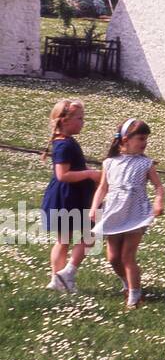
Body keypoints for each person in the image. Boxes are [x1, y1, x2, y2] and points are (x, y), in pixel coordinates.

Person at [90, 118, 164, 308]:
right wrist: (94, 207)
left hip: (136, 214)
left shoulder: (146, 164)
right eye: (140, 138)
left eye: (146, 139)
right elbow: (102, 188)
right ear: (125, 139)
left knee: (127, 256)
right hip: (114, 213)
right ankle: (127, 283)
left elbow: (158, 187)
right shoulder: (109, 163)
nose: (144, 143)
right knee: (113, 258)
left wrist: (158, 201)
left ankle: (135, 294)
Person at [40, 98, 101, 292]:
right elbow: (63, 175)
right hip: (68, 198)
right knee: (89, 236)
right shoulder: (64, 145)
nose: (83, 122)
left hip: (70, 196)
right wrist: (90, 174)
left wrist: (85, 170)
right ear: (65, 120)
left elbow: (71, 169)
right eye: (80, 118)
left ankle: (58, 278)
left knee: (64, 240)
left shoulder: (64, 141)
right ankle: (64, 274)